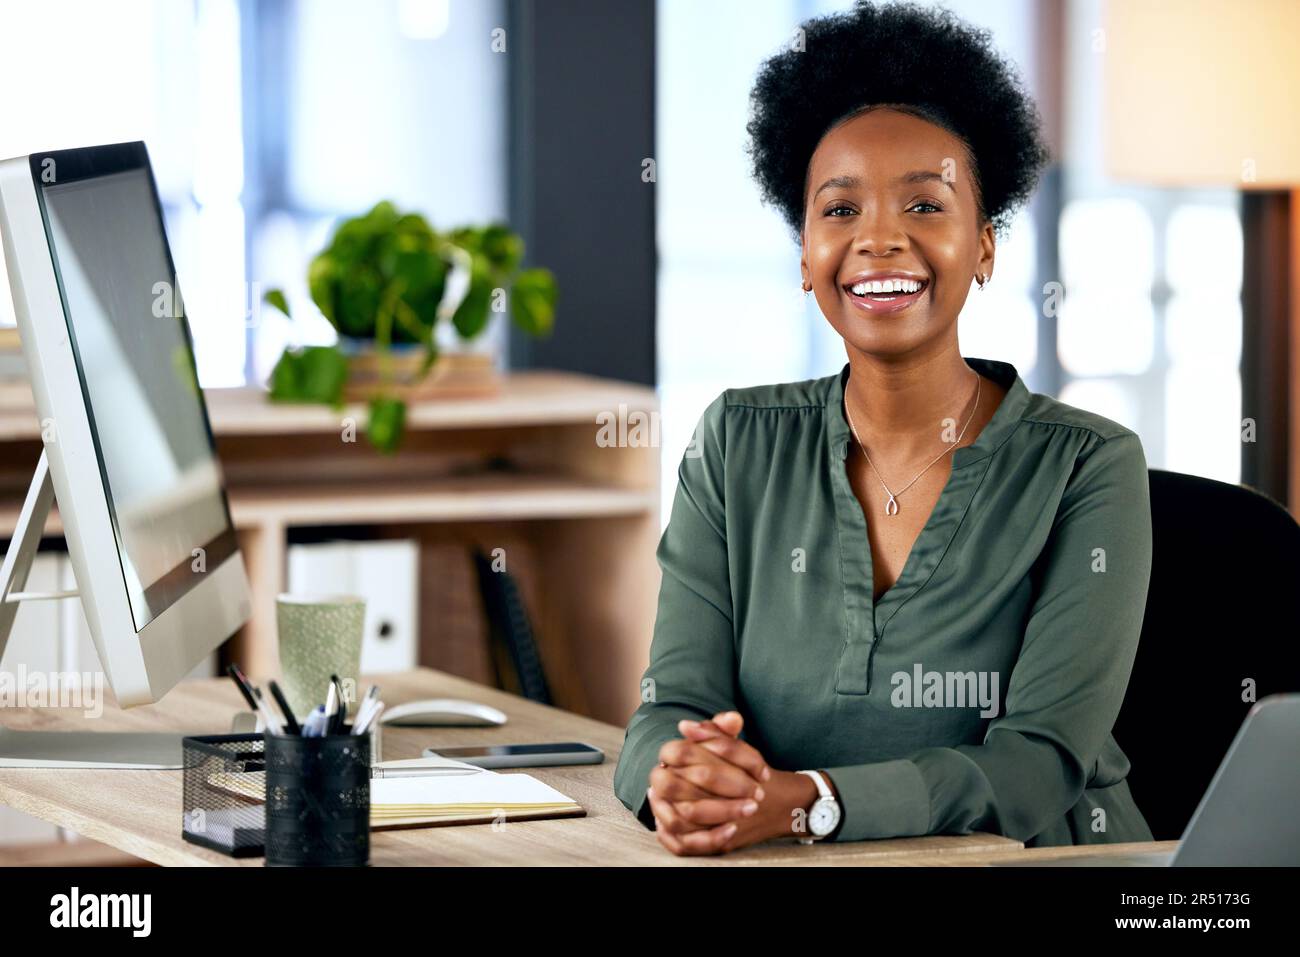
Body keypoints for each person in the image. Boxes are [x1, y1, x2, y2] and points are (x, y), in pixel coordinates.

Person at [613, 0, 1156, 856]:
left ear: (984, 245)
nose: (878, 241)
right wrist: (677, 778)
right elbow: (668, 707)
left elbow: (1036, 764)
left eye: (925, 206)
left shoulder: (1089, 467)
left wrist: (811, 801)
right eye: (839, 210)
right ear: (804, 254)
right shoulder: (735, 442)